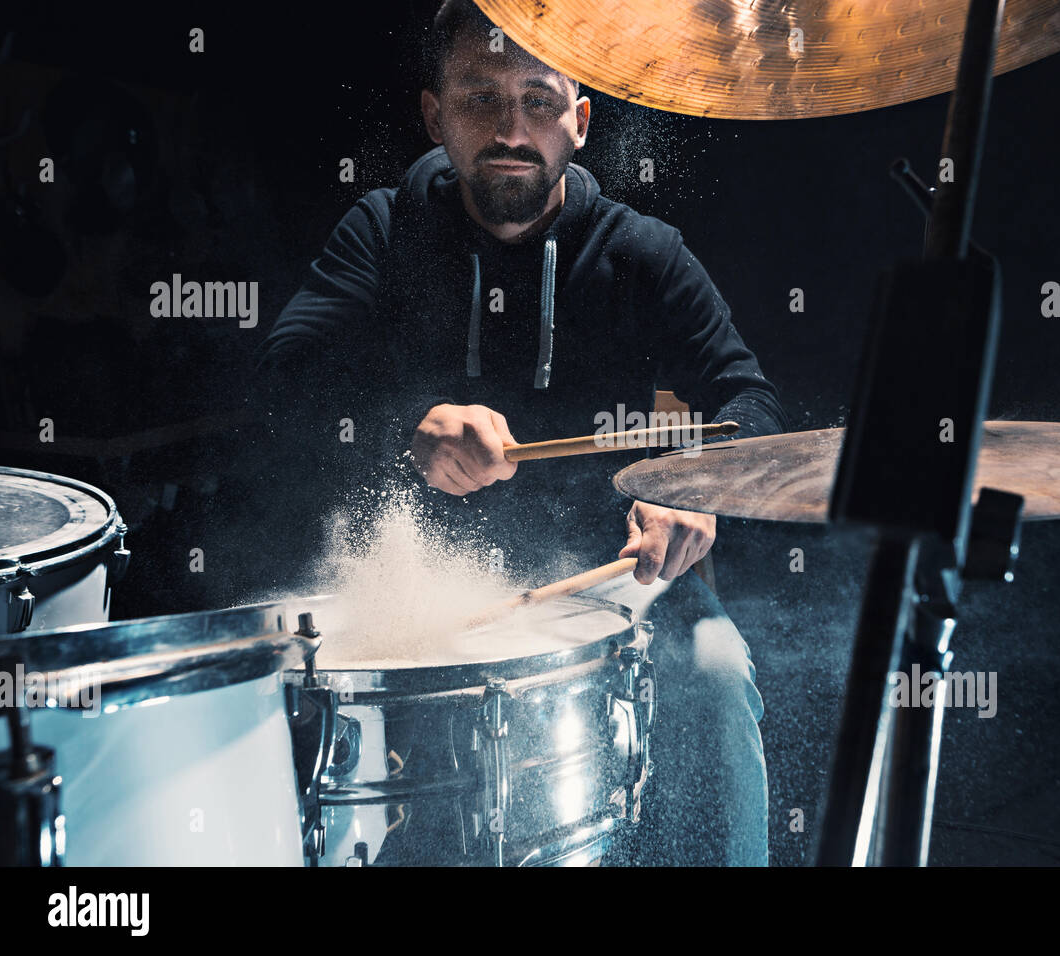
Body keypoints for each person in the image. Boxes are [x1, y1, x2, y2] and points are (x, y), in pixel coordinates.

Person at [257, 0, 787, 866]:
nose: (512, 129)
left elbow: (749, 401)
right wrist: (406, 430)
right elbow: (282, 383)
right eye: (480, 99)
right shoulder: (385, 229)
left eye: (540, 102)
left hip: (618, 582)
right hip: (429, 595)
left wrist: (697, 495)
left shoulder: (643, 252)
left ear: (579, 124)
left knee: (718, 669)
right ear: (435, 114)